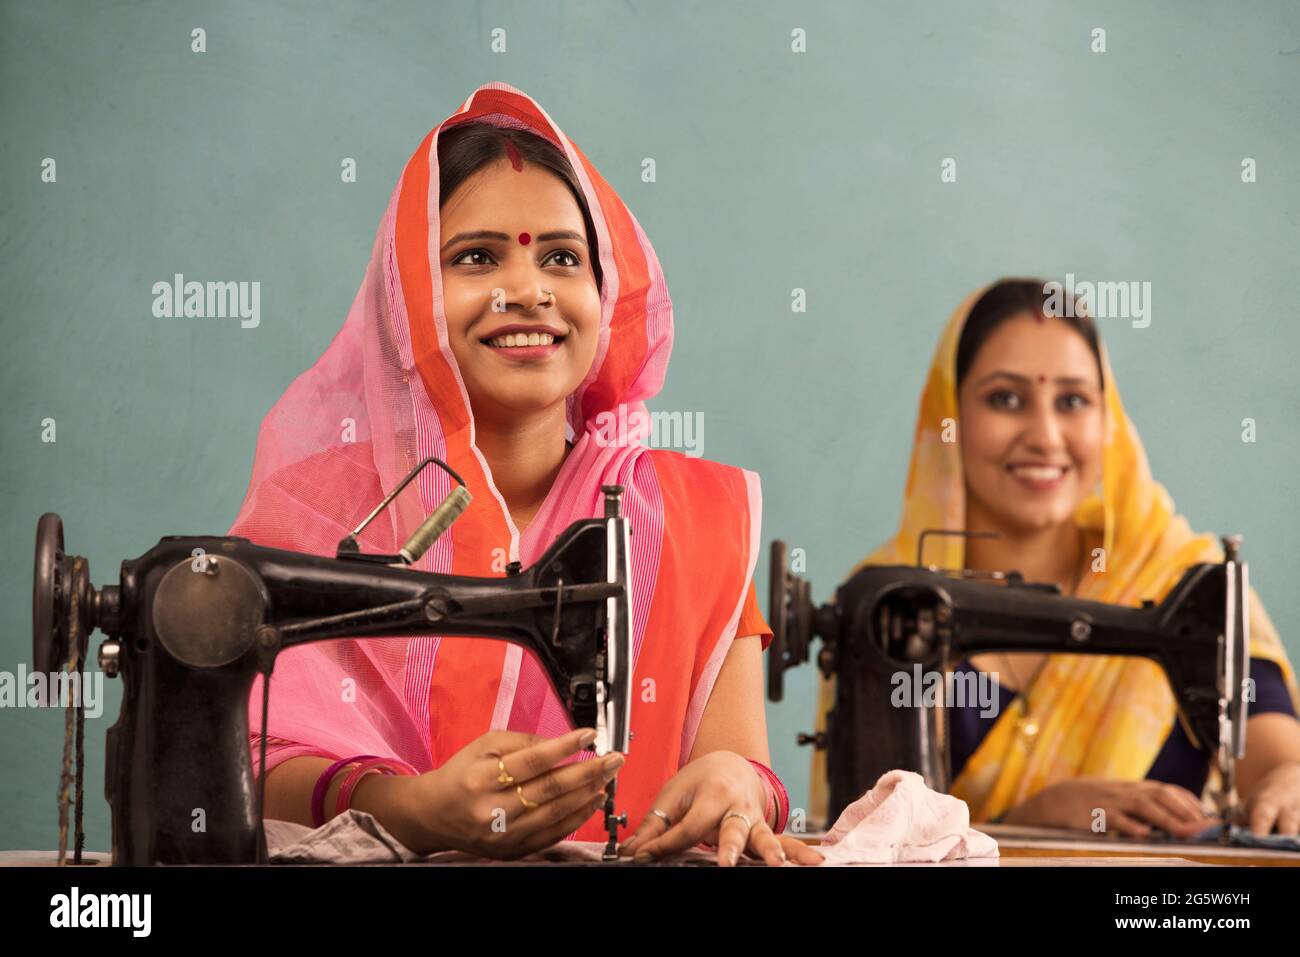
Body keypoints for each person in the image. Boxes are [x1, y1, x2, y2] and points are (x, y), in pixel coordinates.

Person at [235, 83, 820, 866]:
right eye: (478, 257)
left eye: (562, 258)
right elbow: (249, 756)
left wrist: (737, 783)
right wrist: (406, 808)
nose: (529, 289)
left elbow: (747, 768)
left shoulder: (688, 515)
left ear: (603, 294)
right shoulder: (324, 513)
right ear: (407, 297)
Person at [809, 278, 1300, 838]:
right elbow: (871, 843)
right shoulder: (890, 604)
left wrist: (1289, 779)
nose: (1045, 436)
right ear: (950, 414)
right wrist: (1029, 825)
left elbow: (1275, 759)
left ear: (1107, 416)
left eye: (1072, 401)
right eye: (1006, 399)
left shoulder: (1177, 575)